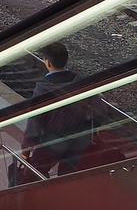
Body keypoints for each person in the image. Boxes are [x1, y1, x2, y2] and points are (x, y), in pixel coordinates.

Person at [21, 42, 94, 178]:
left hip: (52, 141)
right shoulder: (81, 81)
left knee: (36, 171)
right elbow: (97, 109)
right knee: (68, 176)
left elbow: (35, 122)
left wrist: (26, 149)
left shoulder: (42, 89)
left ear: (48, 63)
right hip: (79, 140)